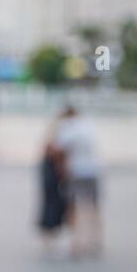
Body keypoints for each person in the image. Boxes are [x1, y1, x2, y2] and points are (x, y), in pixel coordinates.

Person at [52, 105, 103, 258]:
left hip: (76, 171)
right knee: (94, 207)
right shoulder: (88, 125)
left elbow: (57, 149)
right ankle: (96, 241)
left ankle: (76, 244)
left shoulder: (67, 127)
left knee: (73, 207)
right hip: (94, 170)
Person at [36, 119, 69, 258]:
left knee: (52, 202)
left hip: (50, 172)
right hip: (51, 173)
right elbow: (52, 152)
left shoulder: (56, 133)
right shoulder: (57, 136)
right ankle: (49, 235)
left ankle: (50, 235)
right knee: (52, 202)